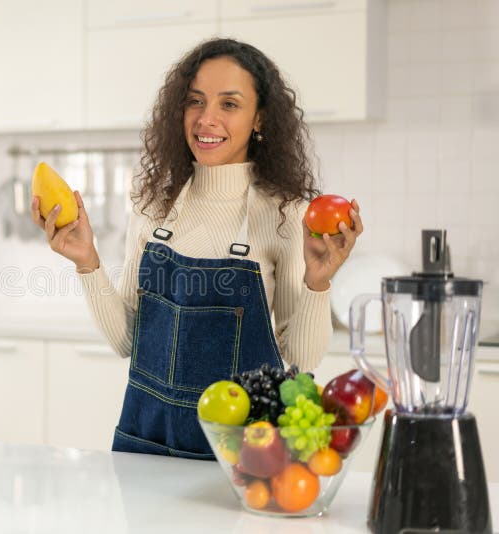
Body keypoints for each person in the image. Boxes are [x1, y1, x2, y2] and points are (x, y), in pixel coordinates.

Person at [31, 38, 363, 459]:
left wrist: (318, 283)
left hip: (242, 456)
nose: (207, 119)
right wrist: (88, 263)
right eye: (195, 101)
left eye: (229, 104)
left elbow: (299, 359)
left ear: (259, 118)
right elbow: (128, 341)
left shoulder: (283, 213)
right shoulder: (154, 202)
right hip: (147, 445)